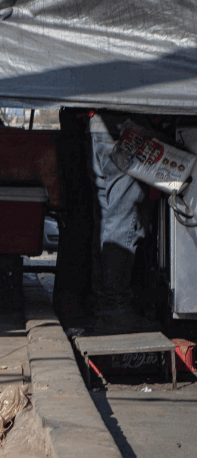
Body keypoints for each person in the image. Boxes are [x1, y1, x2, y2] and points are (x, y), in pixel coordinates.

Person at [87, 110, 156, 333]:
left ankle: (104, 306)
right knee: (122, 221)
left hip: (99, 126)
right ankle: (114, 309)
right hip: (126, 127)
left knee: (107, 221)